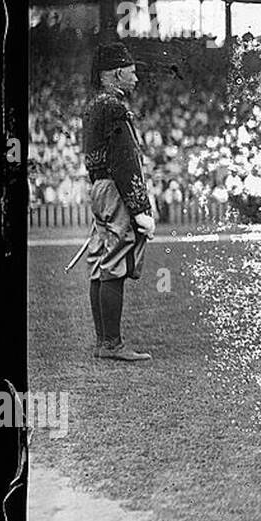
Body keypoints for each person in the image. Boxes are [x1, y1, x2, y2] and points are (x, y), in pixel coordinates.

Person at [82, 41, 156, 360]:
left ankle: (104, 342)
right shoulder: (114, 108)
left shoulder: (94, 105)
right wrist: (140, 210)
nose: (136, 77)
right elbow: (125, 160)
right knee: (114, 262)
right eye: (131, 71)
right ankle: (112, 344)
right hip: (115, 190)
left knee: (100, 264)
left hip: (99, 187)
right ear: (115, 74)